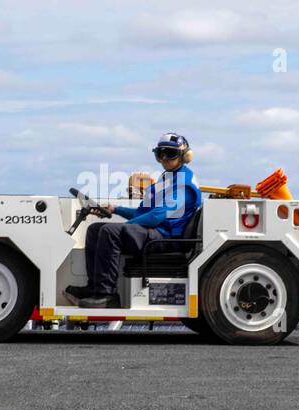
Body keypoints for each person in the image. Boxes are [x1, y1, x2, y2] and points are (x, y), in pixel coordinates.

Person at [67, 132, 202, 308]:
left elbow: (155, 217)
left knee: (109, 232)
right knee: (96, 229)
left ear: (184, 156)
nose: (163, 159)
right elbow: (142, 213)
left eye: (169, 154)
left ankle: (107, 295)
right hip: (156, 232)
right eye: (159, 154)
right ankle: (94, 288)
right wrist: (116, 209)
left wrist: (124, 227)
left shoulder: (183, 183)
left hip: (167, 237)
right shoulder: (168, 178)